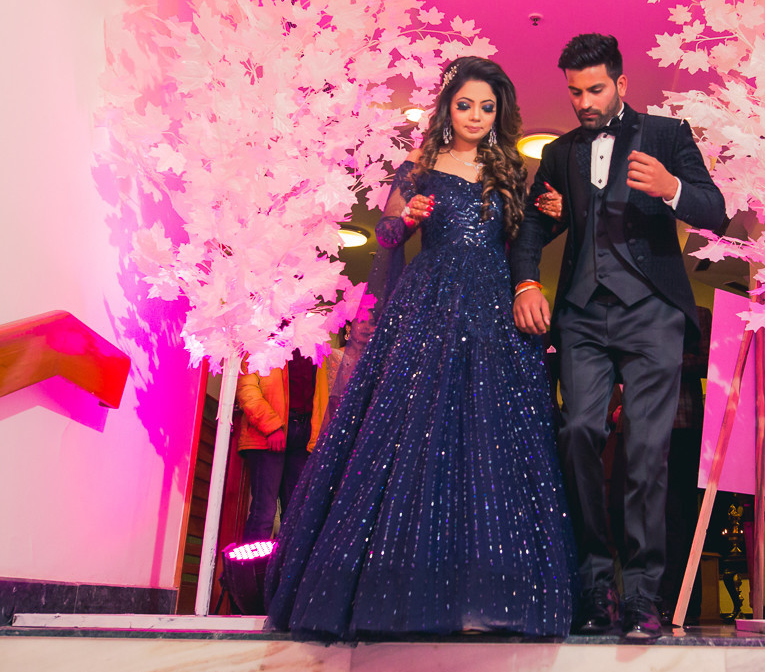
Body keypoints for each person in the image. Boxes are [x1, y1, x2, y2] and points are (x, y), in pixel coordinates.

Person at [265, 57, 575, 640]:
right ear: (446, 109)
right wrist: (404, 221)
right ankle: (398, 594)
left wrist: (552, 220)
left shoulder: (510, 172)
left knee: (486, 444)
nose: (476, 116)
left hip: (490, 311)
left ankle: (479, 599)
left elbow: (519, 245)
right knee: (412, 436)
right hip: (428, 305)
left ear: (499, 113)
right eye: (465, 105)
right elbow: (385, 241)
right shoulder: (418, 169)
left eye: (487, 107)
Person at [512, 33, 727, 639]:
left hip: (652, 312)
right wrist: (527, 281)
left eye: (595, 89)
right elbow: (533, 225)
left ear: (622, 84)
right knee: (578, 431)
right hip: (582, 311)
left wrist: (672, 189)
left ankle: (642, 594)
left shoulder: (666, 135)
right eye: (575, 91)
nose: (583, 101)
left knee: (645, 451)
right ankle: (595, 584)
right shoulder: (559, 153)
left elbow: (716, 209)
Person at [234, 350, 330, 543]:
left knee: (295, 514)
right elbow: (247, 388)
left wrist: (319, 438)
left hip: (304, 434)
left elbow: (321, 395)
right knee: (264, 513)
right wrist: (271, 426)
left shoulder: (314, 343)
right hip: (268, 435)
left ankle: (282, 571)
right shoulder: (262, 339)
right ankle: (251, 571)